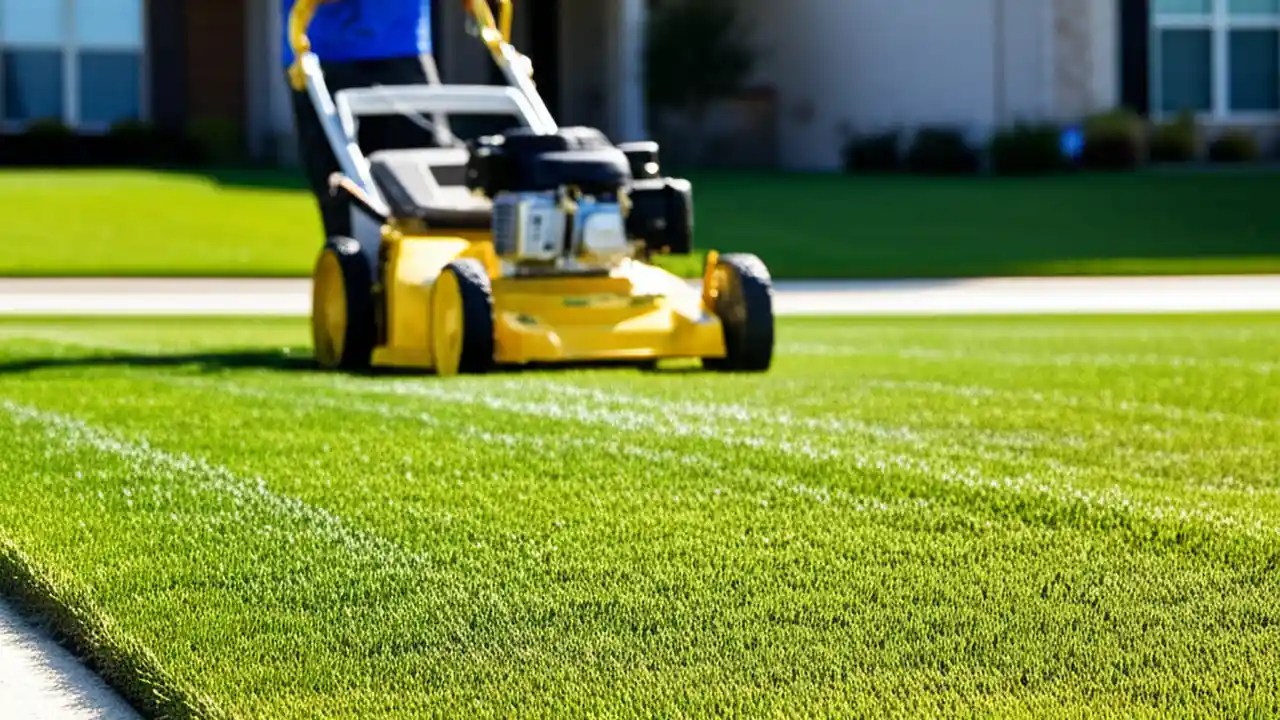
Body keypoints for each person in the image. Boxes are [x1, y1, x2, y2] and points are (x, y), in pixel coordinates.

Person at [283, 0, 449, 238]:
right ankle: (351, 263)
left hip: (403, 42)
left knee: (426, 173)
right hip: (318, 47)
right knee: (338, 184)